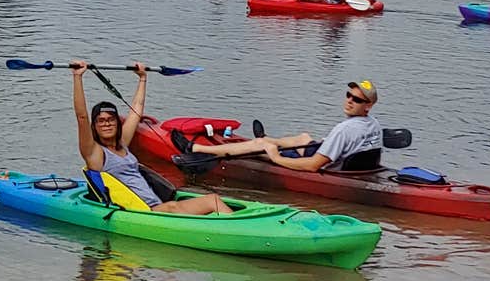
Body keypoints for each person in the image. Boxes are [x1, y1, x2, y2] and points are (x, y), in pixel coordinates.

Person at [70, 63, 229, 213]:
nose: (107, 124)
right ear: (95, 126)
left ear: (118, 123)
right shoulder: (95, 154)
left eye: (111, 119)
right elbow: (82, 117)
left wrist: (142, 78)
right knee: (211, 201)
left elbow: (137, 110)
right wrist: (78, 77)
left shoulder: (122, 144)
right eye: (101, 121)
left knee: (213, 200)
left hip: (156, 205)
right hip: (146, 213)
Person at [183, 79, 385, 173]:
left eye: (356, 100)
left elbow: (313, 166)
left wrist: (275, 157)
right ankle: (268, 139)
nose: (349, 100)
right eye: (348, 95)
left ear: (368, 105)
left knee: (259, 145)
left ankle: (199, 149)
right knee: (303, 138)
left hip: (328, 166)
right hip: (349, 163)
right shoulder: (374, 124)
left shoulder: (344, 130)